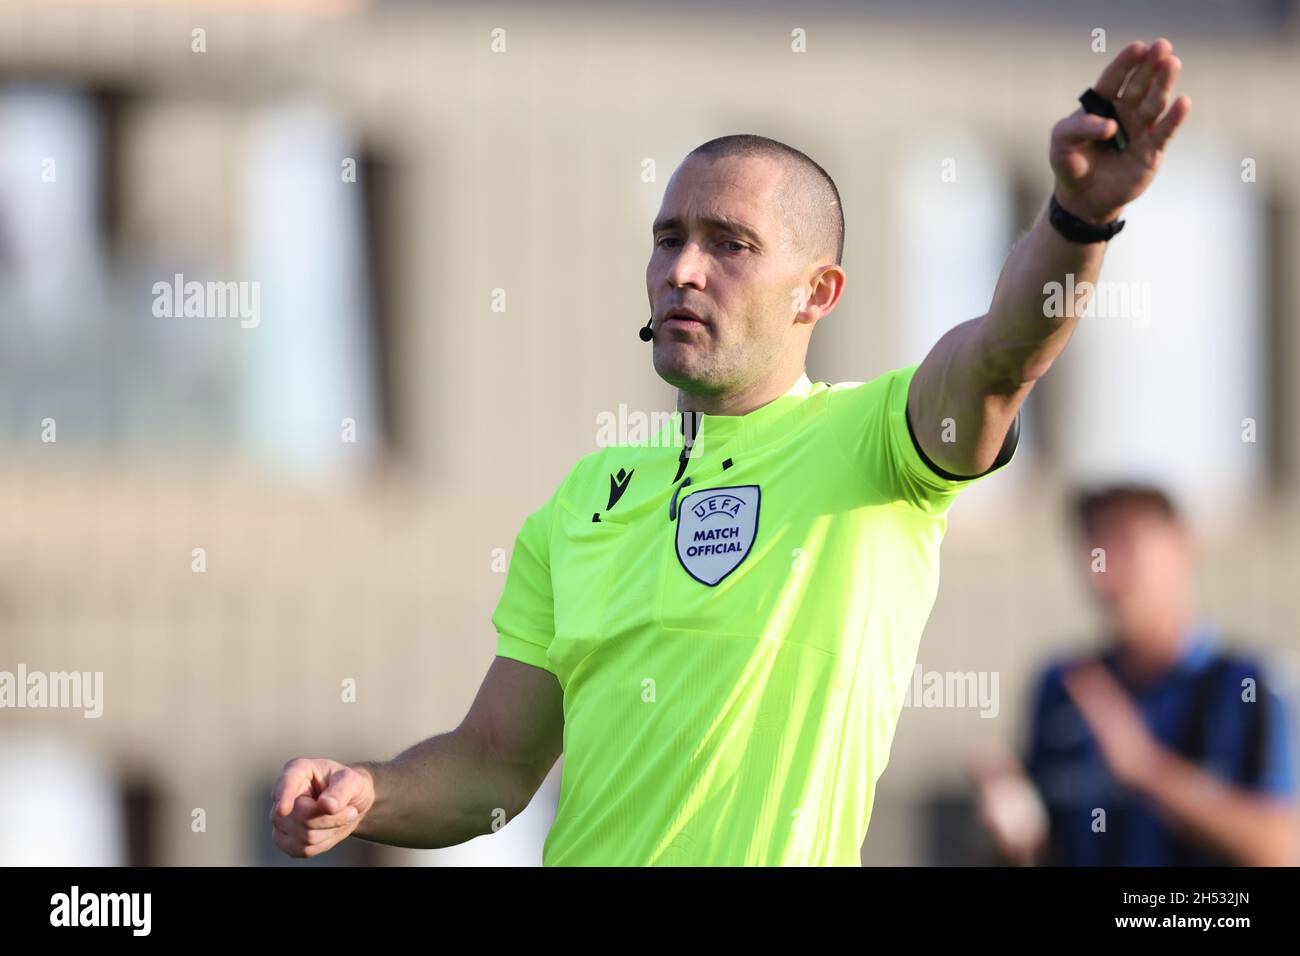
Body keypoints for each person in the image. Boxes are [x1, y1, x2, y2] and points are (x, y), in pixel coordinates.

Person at [273, 39, 1193, 864]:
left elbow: (1001, 353)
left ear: (816, 292)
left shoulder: (878, 443)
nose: (682, 267)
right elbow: (492, 769)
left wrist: (1077, 218)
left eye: (731, 244)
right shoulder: (580, 501)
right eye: (669, 238)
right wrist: (371, 794)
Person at [972, 484, 1299, 866]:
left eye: (1124, 545)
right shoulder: (1064, 684)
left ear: (1182, 548)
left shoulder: (1250, 684)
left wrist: (1147, 769)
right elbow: (1044, 845)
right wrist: (1010, 836)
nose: (1105, 573)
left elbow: (1283, 849)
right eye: (1095, 550)